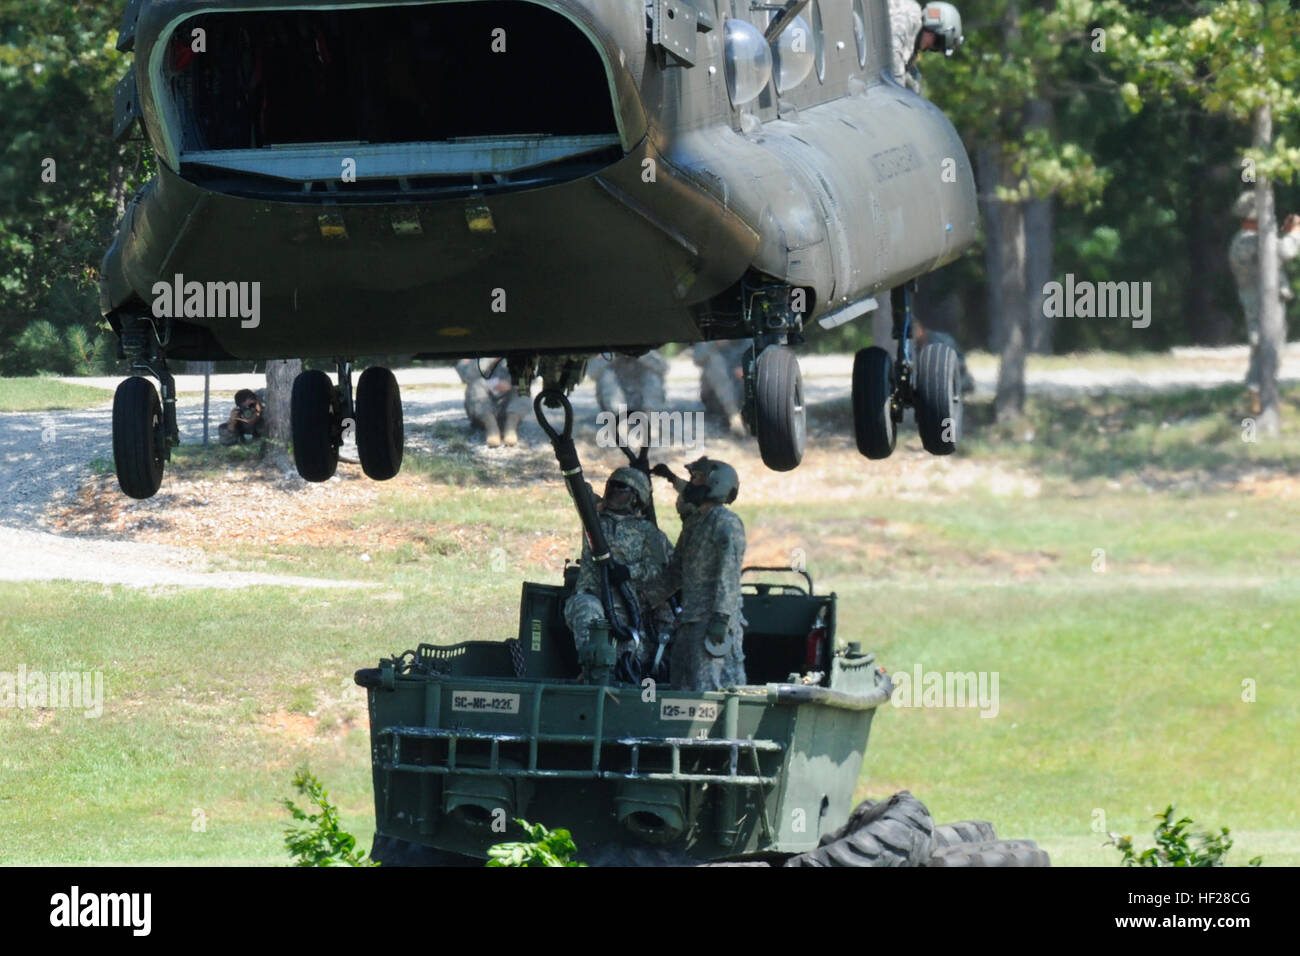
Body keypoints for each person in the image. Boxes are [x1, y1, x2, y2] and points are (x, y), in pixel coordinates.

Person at [647, 457, 747, 692]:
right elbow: (676, 572)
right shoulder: (694, 523)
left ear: (716, 483)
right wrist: (644, 598)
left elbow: (729, 574)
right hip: (689, 621)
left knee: (708, 693)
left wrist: (721, 619)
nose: (691, 484)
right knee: (680, 687)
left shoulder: (726, 523)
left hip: (712, 623)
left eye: (697, 478)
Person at [564, 466, 674, 675]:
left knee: (631, 663)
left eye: (621, 487)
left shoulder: (647, 531)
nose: (613, 490)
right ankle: (591, 672)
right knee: (586, 608)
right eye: (611, 485)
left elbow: (658, 568)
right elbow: (576, 487)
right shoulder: (593, 516)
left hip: (628, 612)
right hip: (593, 599)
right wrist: (565, 457)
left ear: (635, 497)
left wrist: (629, 571)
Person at [1227, 191, 1300, 414]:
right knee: (1266, 345)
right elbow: (1285, 251)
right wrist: (1295, 234)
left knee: (1265, 345)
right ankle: (1258, 395)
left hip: (1259, 298)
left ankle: (1257, 394)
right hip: (1262, 301)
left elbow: (1269, 250)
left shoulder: (1245, 239)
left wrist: (1283, 232)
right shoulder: (1249, 240)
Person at [889, 1, 964, 93]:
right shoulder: (907, 17)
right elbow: (892, 53)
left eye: (935, 48)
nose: (929, 48)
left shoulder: (912, 38)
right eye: (937, 43)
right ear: (931, 26)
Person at [456, 358, 530, 447]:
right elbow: (467, 376)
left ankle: (511, 427)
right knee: (476, 385)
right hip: (482, 412)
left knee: (524, 389)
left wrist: (511, 384)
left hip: (508, 407)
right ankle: (491, 428)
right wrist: (490, 358)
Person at [693, 341, 748, 438]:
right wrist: (714, 344)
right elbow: (698, 358)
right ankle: (734, 415)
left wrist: (745, 366)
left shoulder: (744, 337)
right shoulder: (708, 337)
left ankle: (739, 415)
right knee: (715, 364)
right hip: (714, 391)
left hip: (739, 382)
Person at [913, 317, 975, 395]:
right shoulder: (912, 346)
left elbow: (959, 363)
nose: (914, 333)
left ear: (921, 328)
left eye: (915, 328)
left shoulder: (941, 340)